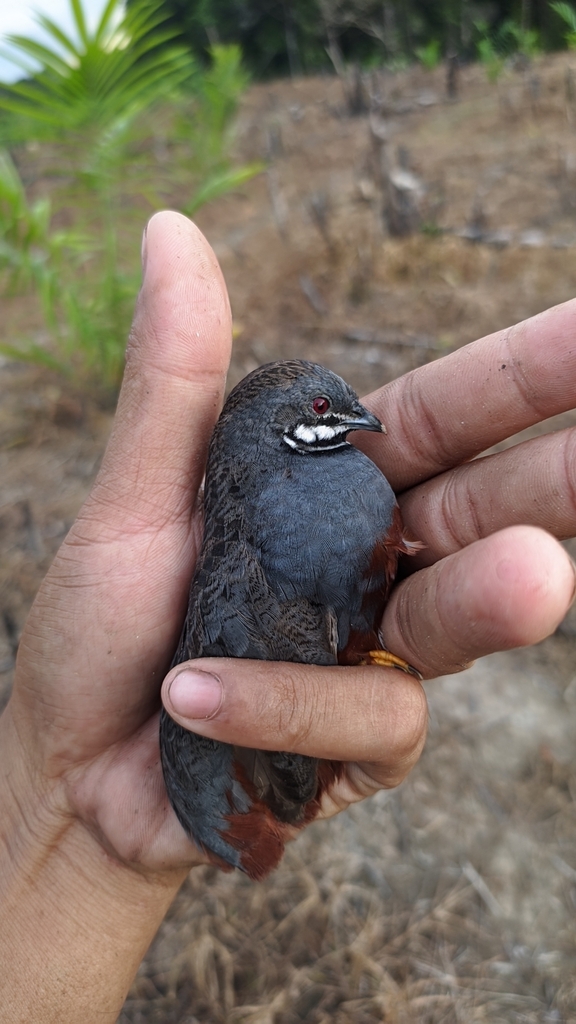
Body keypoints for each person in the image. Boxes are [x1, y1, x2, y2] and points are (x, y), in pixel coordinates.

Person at [0, 211, 574, 1023]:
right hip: (197, 767)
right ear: (284, 430)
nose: (357, 424)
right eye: (325, 410)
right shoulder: (249, 546)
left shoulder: (328, 481)